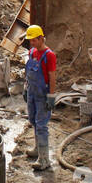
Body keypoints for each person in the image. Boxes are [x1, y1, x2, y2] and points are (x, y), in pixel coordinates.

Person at [24, 24, 57, 171]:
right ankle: (38, 149)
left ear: (40, 38)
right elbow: (28, 73)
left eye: (34, 40)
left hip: (42, 94)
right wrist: (26, 88)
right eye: (30, 41)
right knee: (33, 120)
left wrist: (51, 96)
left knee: (41, 124)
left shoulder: (49, 55)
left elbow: (52, 76)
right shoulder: (32, 52)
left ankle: (44, 159)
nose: (31, 43)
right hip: (32, 91)